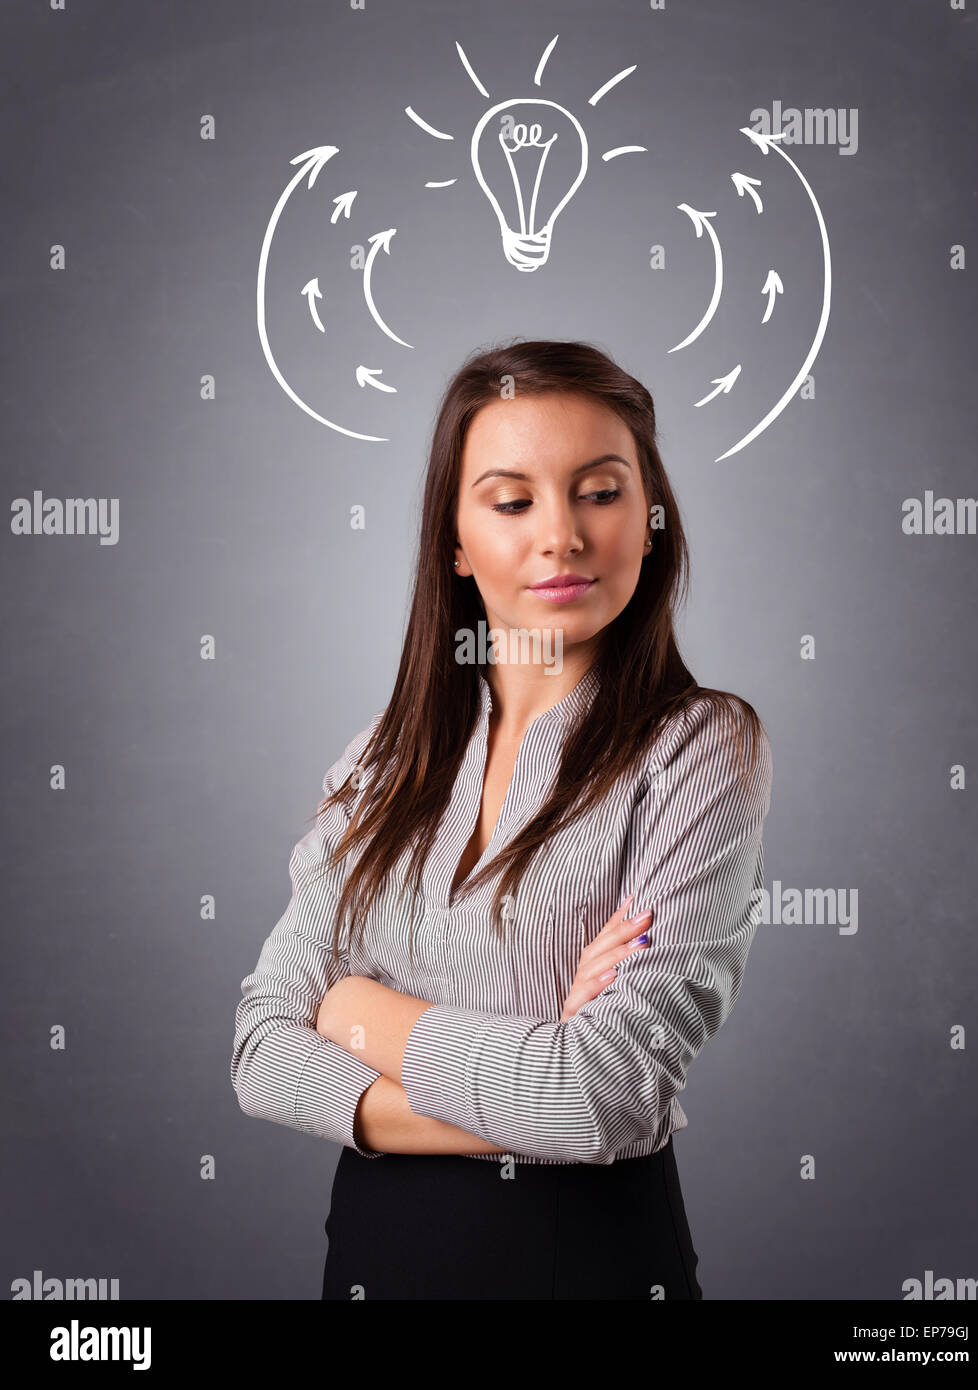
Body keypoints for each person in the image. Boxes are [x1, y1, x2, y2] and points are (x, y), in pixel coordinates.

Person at [230, 338, 773, 1300]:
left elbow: (606, 1094)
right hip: (373, 1268)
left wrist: (353, 1012)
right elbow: (262, 1054)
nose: (560, 536)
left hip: (592, 1271)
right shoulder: (378, 762)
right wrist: (541, 1084)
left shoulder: (698, 748)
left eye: (599, 493)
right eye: (512, 502)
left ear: (650, 519)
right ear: (454, 540)